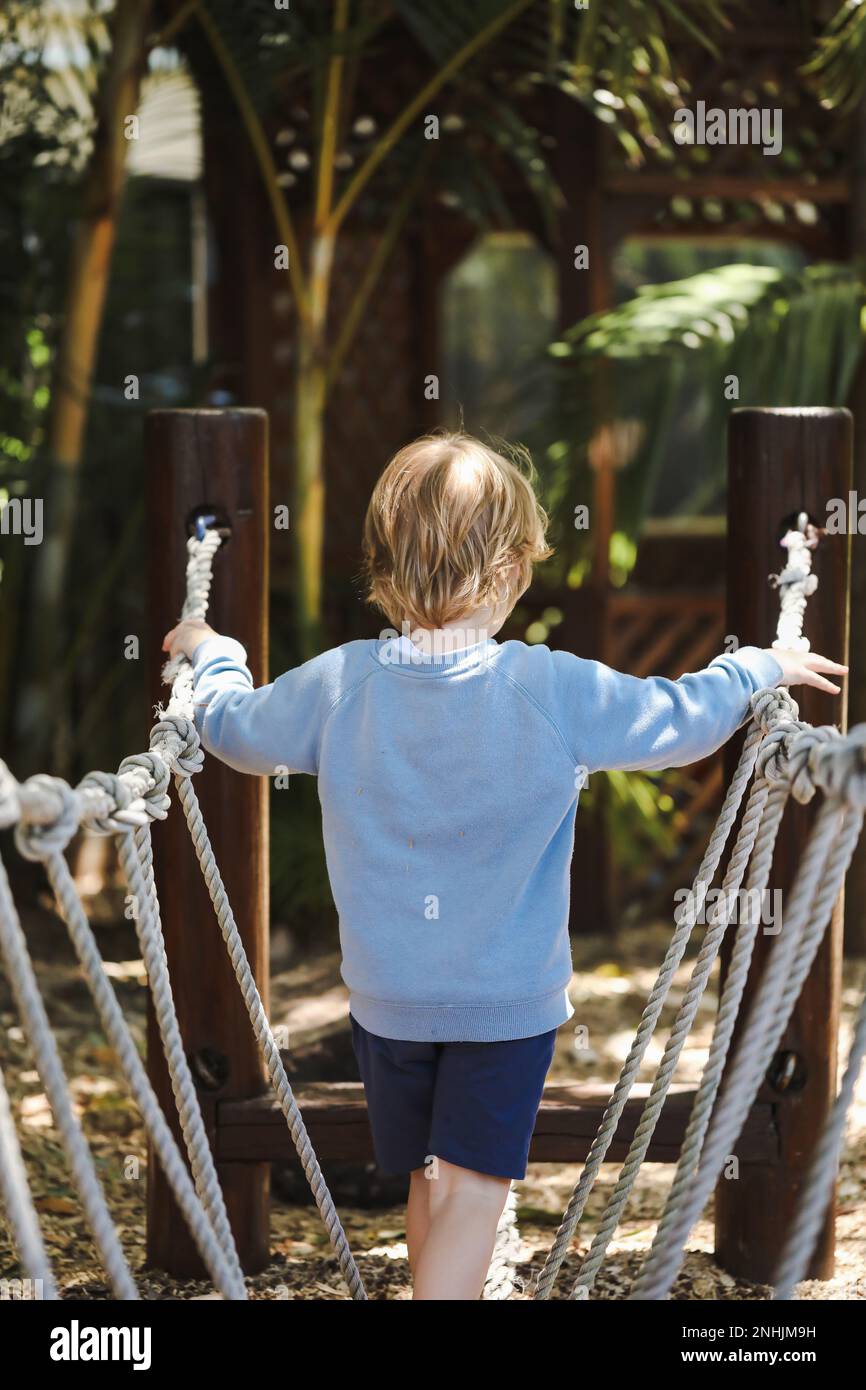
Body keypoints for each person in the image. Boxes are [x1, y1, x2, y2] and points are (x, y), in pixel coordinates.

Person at [163, 431, 846, 1300]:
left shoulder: (335, 686)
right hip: (505, 1005)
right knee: (473, 1182)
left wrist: (210, 652)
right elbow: (678, 722)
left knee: (428, 1174)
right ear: (515, 571)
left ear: (380, 572)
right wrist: (758, 665)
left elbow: (231, 729)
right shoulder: (549, 687)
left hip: (386, 1001)